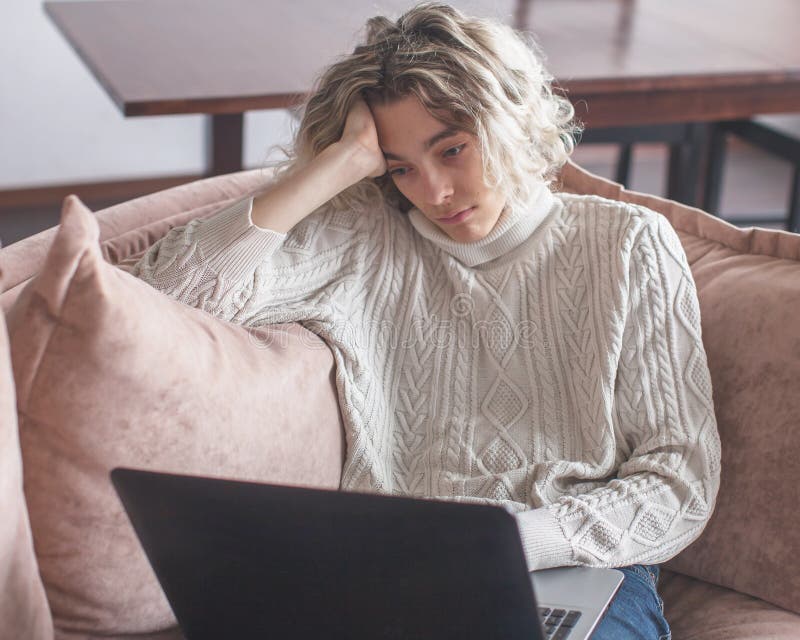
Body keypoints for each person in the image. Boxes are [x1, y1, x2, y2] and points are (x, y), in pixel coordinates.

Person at [131, 3, 720, 638]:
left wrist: (514, 541)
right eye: (400, 166)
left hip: (570, 561)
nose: (433, 191)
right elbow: (160, 303)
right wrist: (333, 166)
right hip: (384, 565)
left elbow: (679, 479)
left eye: (453, 148)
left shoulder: (629, 243)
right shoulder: (361, 242)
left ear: (510, 120)